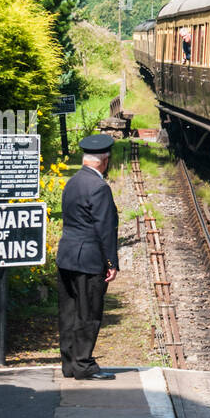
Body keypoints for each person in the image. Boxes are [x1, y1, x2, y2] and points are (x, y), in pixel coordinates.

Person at [56, 134, 120, 381]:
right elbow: (105, 228)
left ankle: (69, 363)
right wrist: (111, 263)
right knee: (89, 312)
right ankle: (83, 364)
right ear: (104, 161)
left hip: (67, 256)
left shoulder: (72, 182)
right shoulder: (100, 188)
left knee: (69, 312)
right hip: (89, 260)